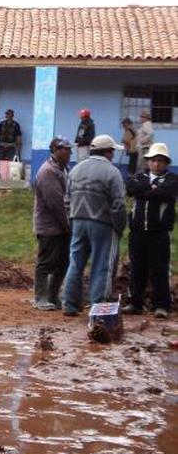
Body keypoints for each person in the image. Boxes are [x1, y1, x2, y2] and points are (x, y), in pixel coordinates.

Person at [61, 134, 127, 316]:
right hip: (103, 224)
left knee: (75, 262)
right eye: (112, 152)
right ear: (107, 152)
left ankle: (69, 304)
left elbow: (66, 200)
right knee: (102, 264)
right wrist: (119, 227)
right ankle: (99, 307)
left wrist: (72, 221)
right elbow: (119, 205)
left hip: (78, 221)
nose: (113, 155)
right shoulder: (112, 172)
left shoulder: (75, 169)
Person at [122, 143, 178, 319]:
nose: (156, 164)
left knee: (159, 269)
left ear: (166, 163)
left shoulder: (172, 179)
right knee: (137, 267)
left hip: (159, 233)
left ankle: (161, 305)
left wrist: (144, 191)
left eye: (160, 161)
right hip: (138, 232)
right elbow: (130, 189)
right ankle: (134, 303)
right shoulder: (138, 177)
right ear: (148, 162)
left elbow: (164, 194)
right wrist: (150, 189)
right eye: (153, 160)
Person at [33, 137, 73, 310]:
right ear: (56, 150)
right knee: (46, 262)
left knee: (63, 262)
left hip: (61, 225)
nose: (70, 152)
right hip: (49, 226)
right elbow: (55, 202)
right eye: (66, 149)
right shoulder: (48, 171)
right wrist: (66, 224)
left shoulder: (64, 169)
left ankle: (52, 295)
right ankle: (40, 298)